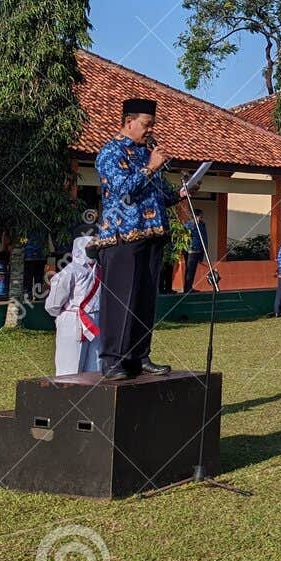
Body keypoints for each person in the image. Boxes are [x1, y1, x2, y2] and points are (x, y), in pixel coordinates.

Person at [92, 98, 186, 380]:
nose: (150, 131)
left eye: (152, 125)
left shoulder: (147, 155)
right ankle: (112, 360)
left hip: (153, 235)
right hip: (122, 237)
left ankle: (138, 356)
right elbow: (123, 192)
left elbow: (156, 195)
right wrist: (151, 168)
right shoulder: (110, 152)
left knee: (145, 300)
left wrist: (178, 194)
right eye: (146, 125)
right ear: (129, 121)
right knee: (121, 300)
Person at [44, 235, 101, 375]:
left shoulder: (100, 269)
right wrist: (63, 315)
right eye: (90, 246)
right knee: (70, 365)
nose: (94, 249)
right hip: (73, 319)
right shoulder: (70, 271)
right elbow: (55, 300)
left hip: (96, 320)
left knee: (95, 365)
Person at [183, 209, 207, 293]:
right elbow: (185, 237)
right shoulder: (189, 224)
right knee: (189, 270)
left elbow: (204, 238)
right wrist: (186, 249)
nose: (201, 217)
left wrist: (204, 250)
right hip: (191, 250)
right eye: (200, 215)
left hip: (199, 249)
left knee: (193, 270)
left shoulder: (202, 225)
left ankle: (189, 287)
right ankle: (187, 288)